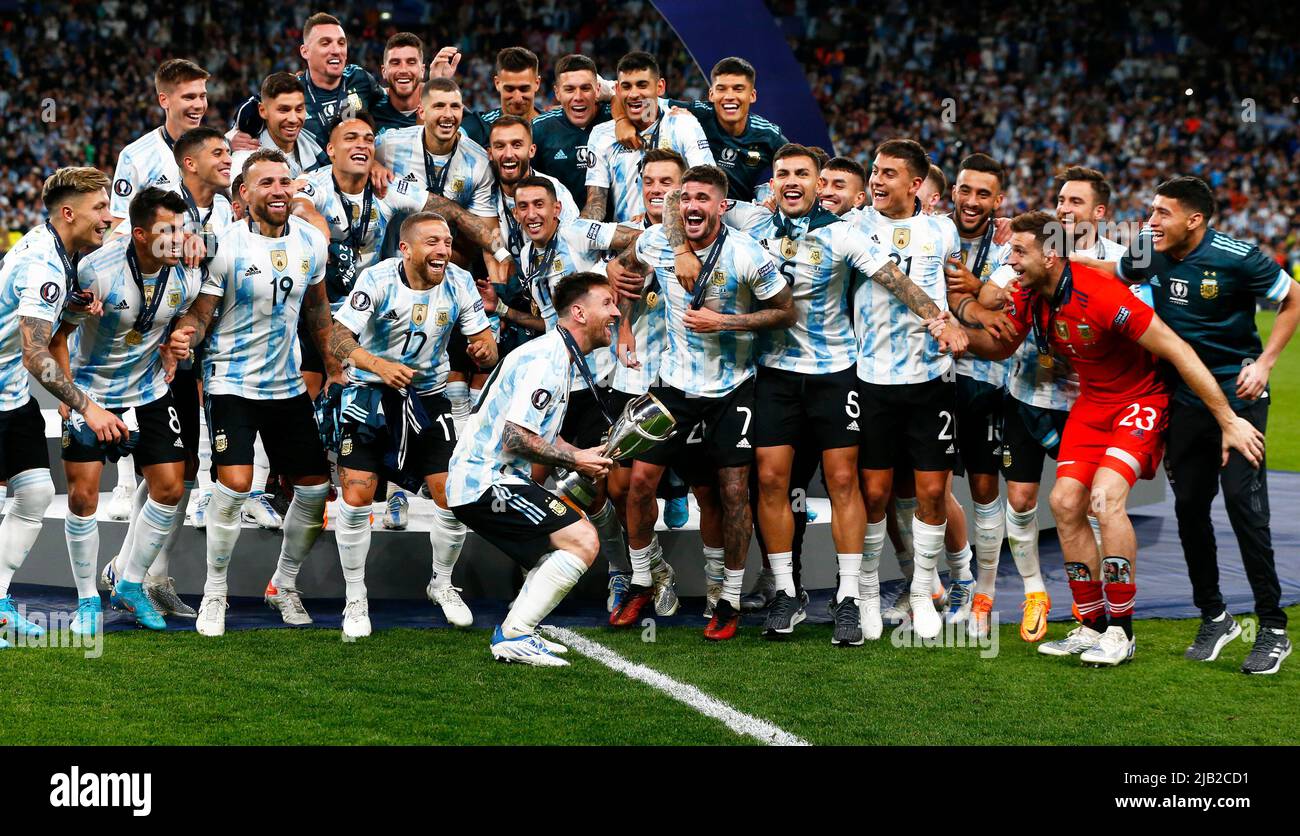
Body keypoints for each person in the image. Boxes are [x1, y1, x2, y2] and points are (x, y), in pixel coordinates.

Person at [963, 210, 1265, 667]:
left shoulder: (1100, 293)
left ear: (1052, 254)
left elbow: (1176, 349)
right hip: (1093, 404)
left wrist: (1227, 419)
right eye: (1010, 251)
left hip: (1140, 401)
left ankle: (1122, 632)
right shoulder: (1030, 293)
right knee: (1065, 502)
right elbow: (1003, 346)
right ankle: (1092, 623)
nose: (1012, 260)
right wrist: (957, 335)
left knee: (1104, 500)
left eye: (1020, 251)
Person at [722, 144, 942, 645]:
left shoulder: (843, 233)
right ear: (771, 183)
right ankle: (785, 591)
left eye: (803, 173)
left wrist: (939, 319)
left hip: (835, 372)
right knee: (772, 480)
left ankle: (847, 596)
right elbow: (685, 197)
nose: (792, 181)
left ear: (820, 183)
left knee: (843, 481)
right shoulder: (752, 224)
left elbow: (895, 279)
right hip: (774, 373)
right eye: (783, 174)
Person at [1092, 176, 1297, 674]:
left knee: (1245, 508)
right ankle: (1215, 615)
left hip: (1239, 394)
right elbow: (1106, 268)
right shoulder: (1151, 252)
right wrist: (1042, 255)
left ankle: (1272, 627)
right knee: (1188, 508)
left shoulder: (1239, 257)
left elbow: (1292, 299)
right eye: (1151, 210)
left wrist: (1266, 362)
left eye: (1162, 212)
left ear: (1194, 219)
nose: (1151, 221)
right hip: (1186, 399)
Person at [610, 165, 794, 640]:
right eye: (685, 197)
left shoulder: (747, 254)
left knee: (731, 492)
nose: (692, 205)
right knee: (637, 484)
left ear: (722, 206)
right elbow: (624, 265)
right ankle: (641, 579)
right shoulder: (658, 241)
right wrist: (625, 319)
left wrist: (725, 324)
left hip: (733, 389)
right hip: (672, 387)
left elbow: (785, 311)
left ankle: (729, 597)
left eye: (703, 198)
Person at [168, 149, 337, 637]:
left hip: (285, 385)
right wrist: (188, 336)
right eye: (266, 183)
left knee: (313, 487)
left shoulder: (312, 243)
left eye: (285, 181)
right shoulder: (226, 245)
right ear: (243, 194)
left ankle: (282, 584)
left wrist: (332, 366)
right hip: (231, 380)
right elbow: (201, 313)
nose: (280, 190)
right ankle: (215, 592)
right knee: (236, 484)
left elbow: (318, 313)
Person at [327, 212, 497, 638]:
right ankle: (355, 597)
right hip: (370, 397)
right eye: (432, 242)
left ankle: (441, 582)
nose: (442, 250)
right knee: (357, 495)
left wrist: (483, 351)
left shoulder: (459, 281)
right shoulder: (378, 280)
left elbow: (487, 345)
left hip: (428, 398)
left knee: (452, 495)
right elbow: (337, 337)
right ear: (405, 249)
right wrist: (377, 365)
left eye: (446, 242)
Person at [445, 272, 621, 666]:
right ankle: (515, 635)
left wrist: (581, 453)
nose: (615, 312)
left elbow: (542, 434)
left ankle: (520, 629)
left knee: (564, 541)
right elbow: (515, 439)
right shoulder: (547, 361)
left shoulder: (556, 355)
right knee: (582, 540)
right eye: (607, 303)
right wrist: (576, 460)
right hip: (485, 480)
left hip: (491, 478)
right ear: (579, 312)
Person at [52, 188, 201, 634]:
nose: (178, 240)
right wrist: (67, 396)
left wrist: (180, 339)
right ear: (138, 234)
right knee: (82, 498)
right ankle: (85, 601)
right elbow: (59, 334)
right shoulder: (95, 270)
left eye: (182, 230)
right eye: (166, 232)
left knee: (171, 487)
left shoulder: (187, 274)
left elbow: (185, 315)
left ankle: (130, 583)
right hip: (93, 390)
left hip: (149, 388)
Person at [847, 139, 971, 641]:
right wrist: (942, 321)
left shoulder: (941, 231)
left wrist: (973, 312)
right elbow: (892, 279)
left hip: (932, 381)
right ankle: (871, 592)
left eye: (889, 173)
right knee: (875, 492)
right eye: (875, 171)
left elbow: (958, 288)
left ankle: (923, 590)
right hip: (872, 379)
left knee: (933, 491)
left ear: (916, 184)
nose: (876, 180)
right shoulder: (854, 227)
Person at [0, 167, 120, 649]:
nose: (108, 218)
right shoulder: (44, 264)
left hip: (10, 393)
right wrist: (87, 407)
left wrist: (73, 307)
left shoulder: (61, 251)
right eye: (99, 208)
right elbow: (35, 353)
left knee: (31, 496)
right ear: (68, 213)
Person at [105, 57, 209, 521]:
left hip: (200, 285)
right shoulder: (138, 155)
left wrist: (197, 243)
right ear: (163, 99)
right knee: (134, 376)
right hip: (147, 284)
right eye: (188, 97)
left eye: (203, 96)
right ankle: (126, 484)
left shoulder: (213, 148)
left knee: (194, 385)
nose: (198, 105)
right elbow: (121, 227)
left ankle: (198, 481)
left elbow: (222, 218)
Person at [940, 153, 1018, 639]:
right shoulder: (930, 230)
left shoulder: (1012, 245)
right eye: (965, 190)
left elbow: (1005, 316)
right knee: (929, 487)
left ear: (999, 200)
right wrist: (976, 301)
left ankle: (983, 597)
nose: (971, 202)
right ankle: (953, 582)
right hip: (930, 376)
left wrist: (974, 298)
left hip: (986, 380)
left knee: (986, 490)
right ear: (953, 190)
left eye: (983, 194)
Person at [627, 57, 787, 202]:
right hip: (695, 209)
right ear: (711, 94)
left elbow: (800, 163)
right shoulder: (700, 113)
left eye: (738, 89)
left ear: (752, 96)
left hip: (740, 216)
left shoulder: (768, 135)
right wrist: (626, 122)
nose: (729, 96)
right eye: (721, 89)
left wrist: (773, 197)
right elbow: (647, 101)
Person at [582, 52, 715, 223]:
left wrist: (652, 219)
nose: (634, 94)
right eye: (627, 86)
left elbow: (709, 184)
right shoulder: (602, 135)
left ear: (660, 87)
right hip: (627, 239)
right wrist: (580, 230)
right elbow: (595, 205)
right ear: (617, 90)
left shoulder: (682, 124)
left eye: (642, 85)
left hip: (677, 233)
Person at [531, 54, 614, 212]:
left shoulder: (616, 118)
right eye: (569, 89)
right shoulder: (540, 129)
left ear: (597, 89)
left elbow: (651, 105)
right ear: (557, 93)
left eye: (585, 88)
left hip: (616, 227)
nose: (578, 97)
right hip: (561, 230)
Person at [430, 46, 542, 147]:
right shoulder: (482, 125)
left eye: (524, 89)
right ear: (497, 83)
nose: (517, 98)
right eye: (509, 89)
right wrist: (438, 87)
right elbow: (444, 141)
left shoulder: (555, 124)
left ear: (537, 83)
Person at [230, 73, 324, 177]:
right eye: (284, 110)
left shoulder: (319, 143)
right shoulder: (243, 161)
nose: (293, 119)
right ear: (263, 110)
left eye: (299, 109)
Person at [370, 33, 426, 134]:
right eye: (395, 63)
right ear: (384, 71)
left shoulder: (446, 109)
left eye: (411, 62)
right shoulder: (370, 108)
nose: (403, 70)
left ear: (422, 70)